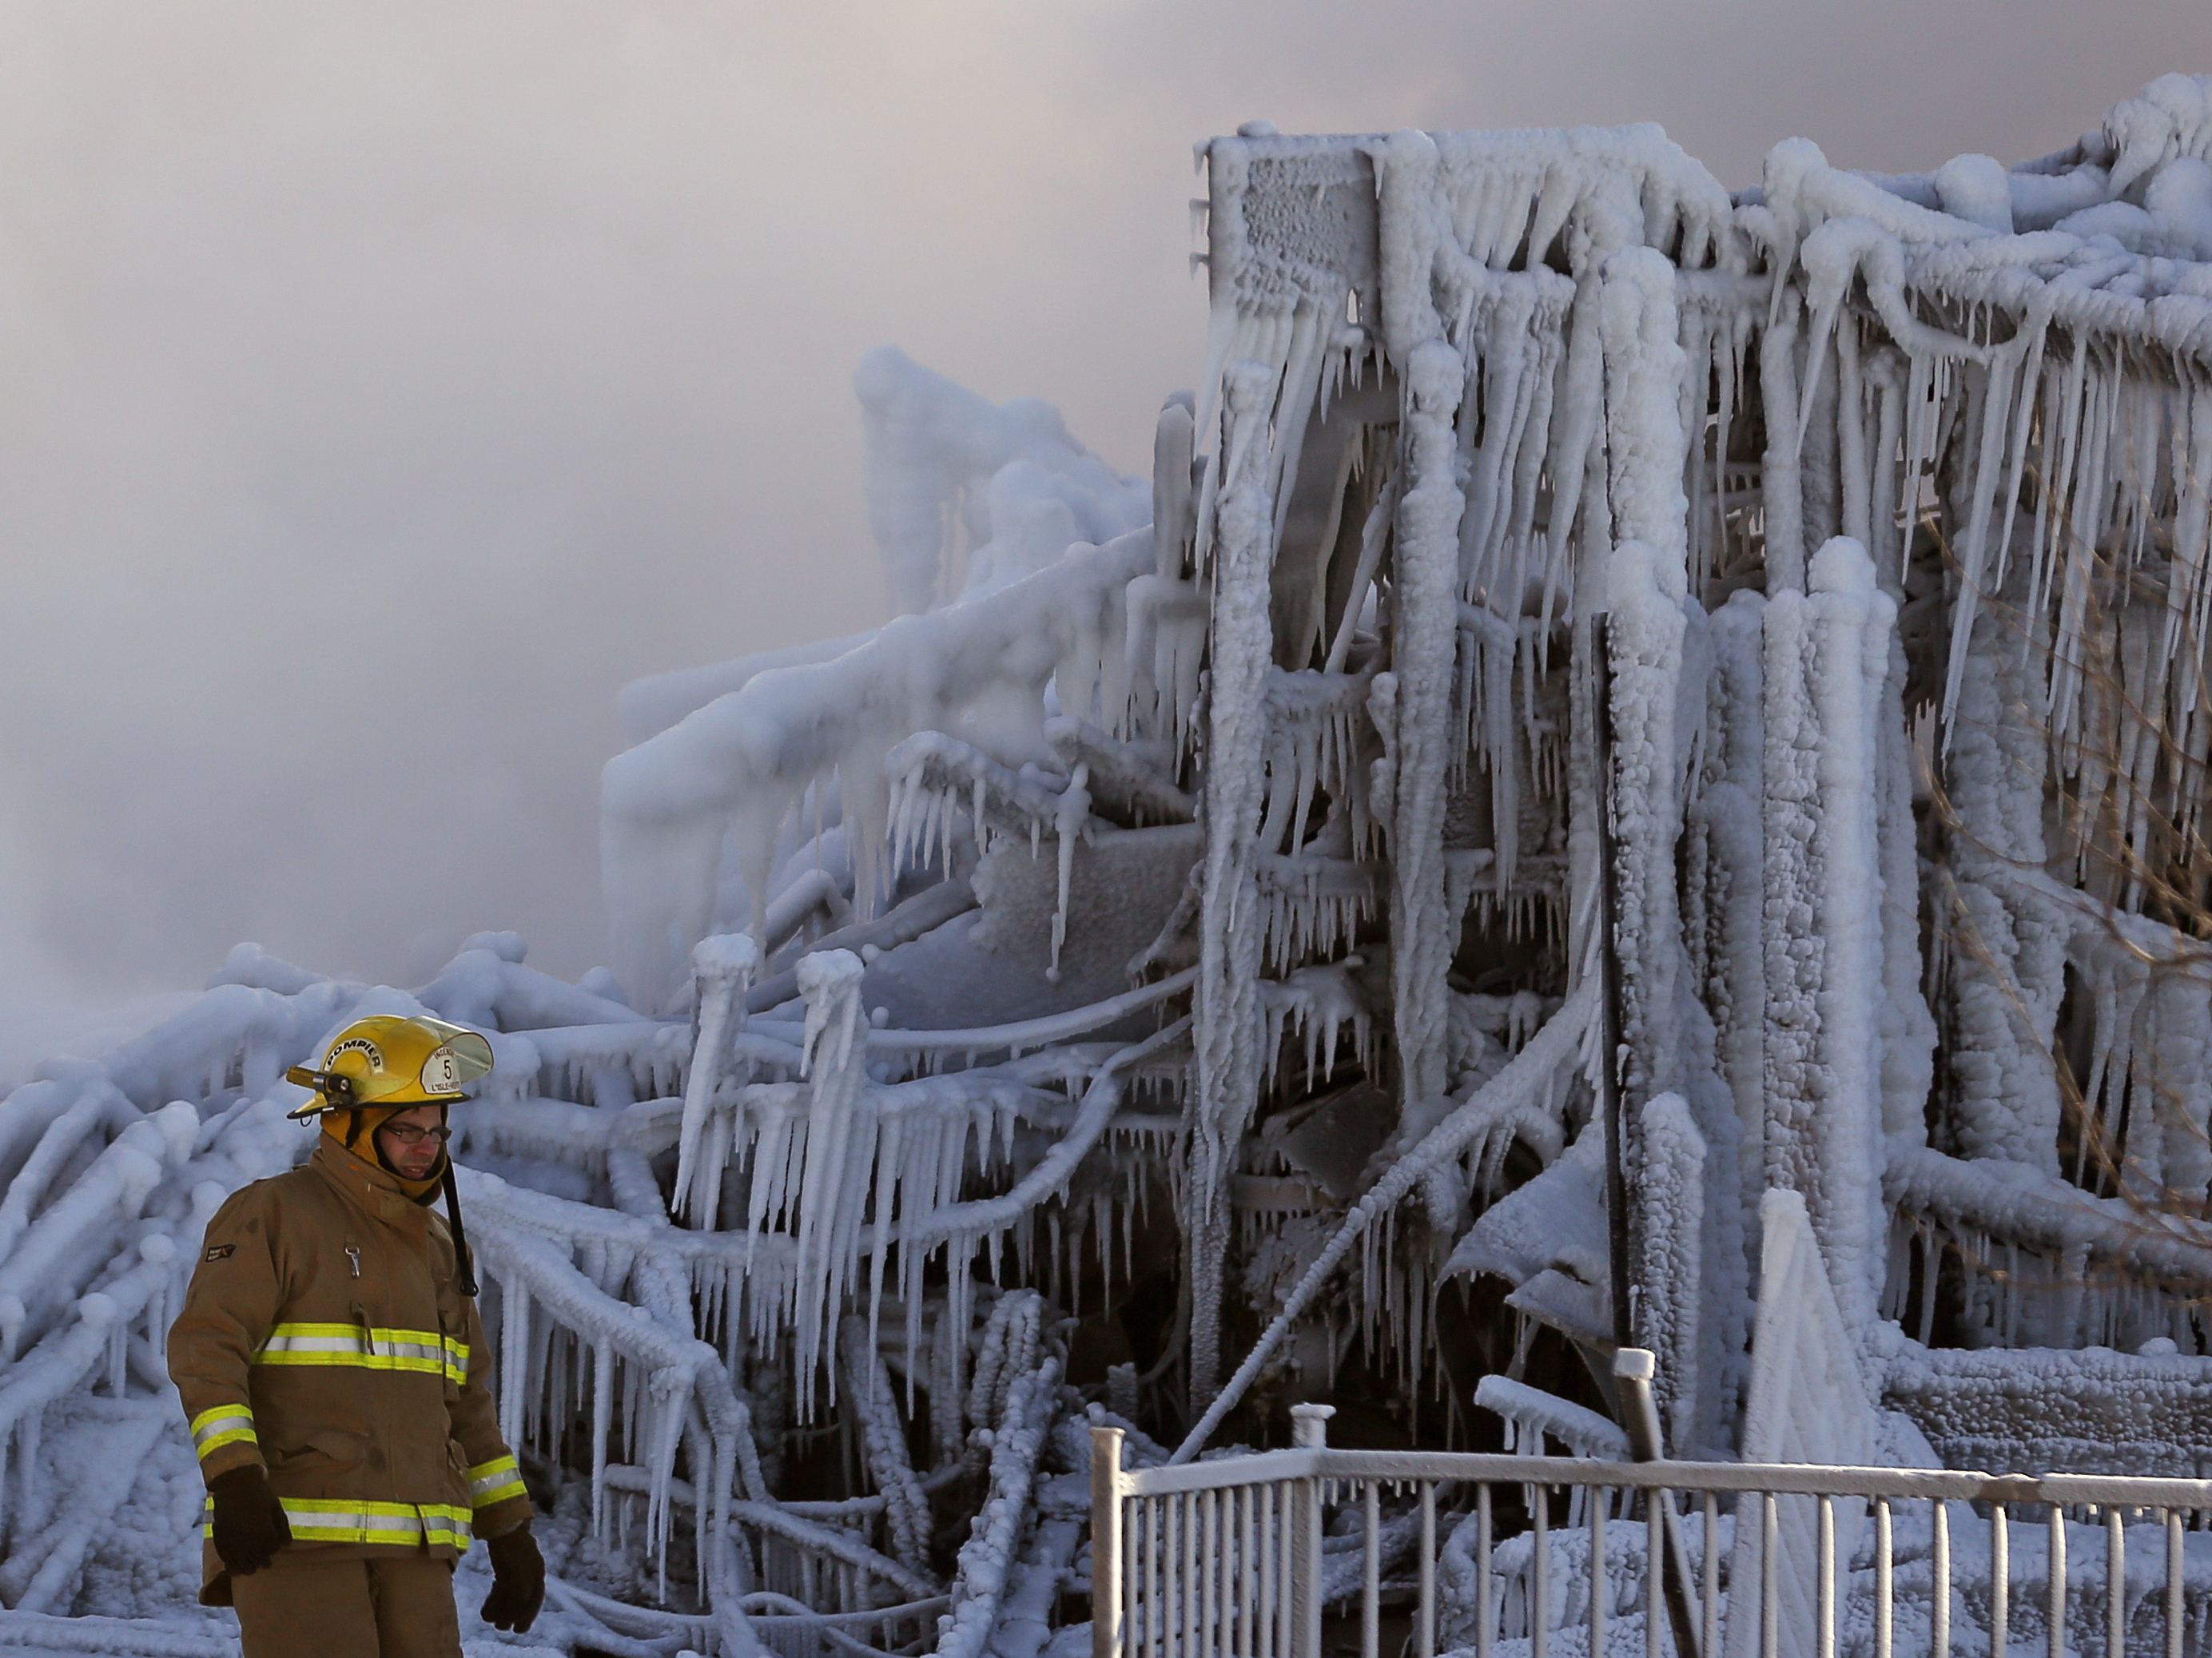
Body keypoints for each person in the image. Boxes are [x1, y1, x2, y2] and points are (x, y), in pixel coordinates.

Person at [168, 1013, 546, 1657]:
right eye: (405, 1128)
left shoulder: (437, 1246)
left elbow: (468, 1401)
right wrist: (234, 1477)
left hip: (418, 1558)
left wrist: (509, 1529)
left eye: (436, 1130)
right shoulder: (273, 1212)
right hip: (297, 1543)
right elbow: (207, 1348)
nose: (427, 1146)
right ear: (345, 1122)